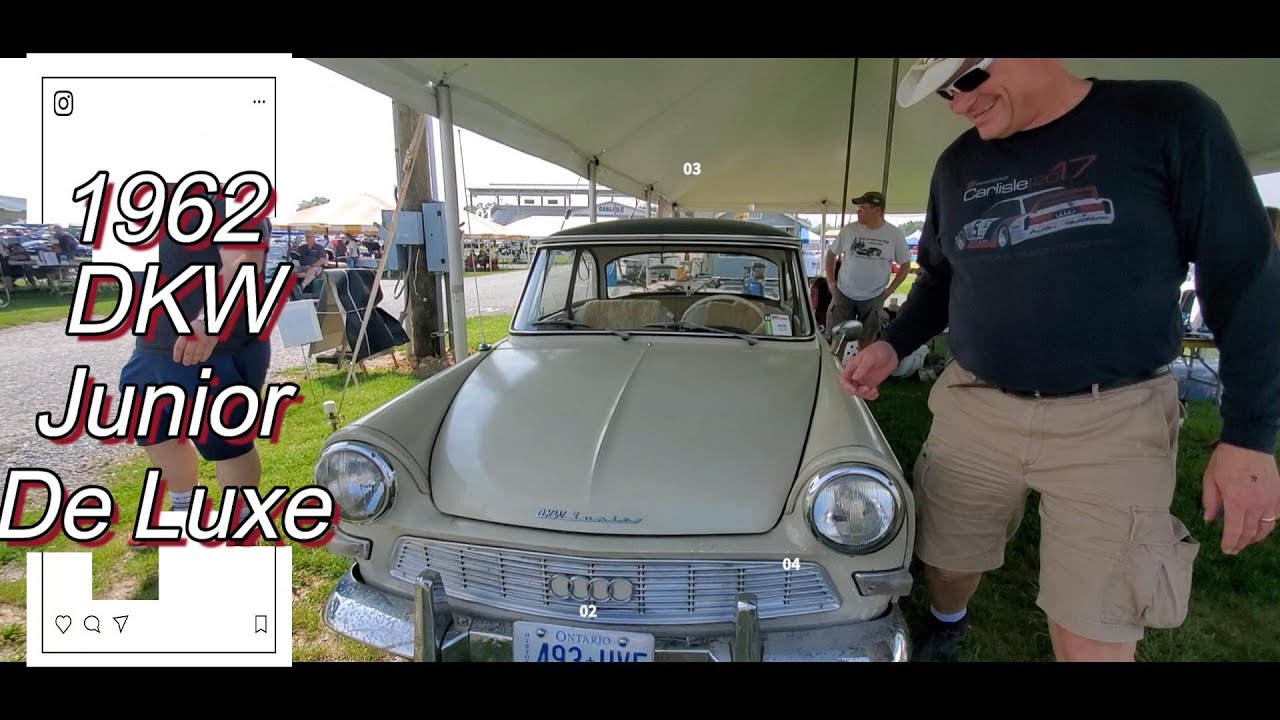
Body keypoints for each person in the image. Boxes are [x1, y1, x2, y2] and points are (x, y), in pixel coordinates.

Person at [841, 58, 1280, 662]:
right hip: (975, 406)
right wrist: (893, 343)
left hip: (1114, 418)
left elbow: (1244, 276)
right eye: (945, 92)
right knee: (946, 558)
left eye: (967, 78)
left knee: (1095, 628)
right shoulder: (957, 165)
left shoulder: (1169, 119)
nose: (959, 103)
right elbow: (940, 279)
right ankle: (948, 620)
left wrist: (1250, 436)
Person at [118, 186, 274, 541]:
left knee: (227, 444)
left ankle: (240, 522)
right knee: (156, 433)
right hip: (153, 347)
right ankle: (185, 510)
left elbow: (242, 260)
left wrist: (208, 322)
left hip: (217, 347)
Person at [824, 191, 912, 348]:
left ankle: (861, 364)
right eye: (858, 208)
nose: (858, 212)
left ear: (877, 210)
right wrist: (831, 283)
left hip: (874, 296)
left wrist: (889, 291)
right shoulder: (849, 230)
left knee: (868, 341)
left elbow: (905, 265)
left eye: (862, 208)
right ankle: (836, 364)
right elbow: (831, 254)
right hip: (844, 293)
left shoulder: (894, 234)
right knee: (838, 339)